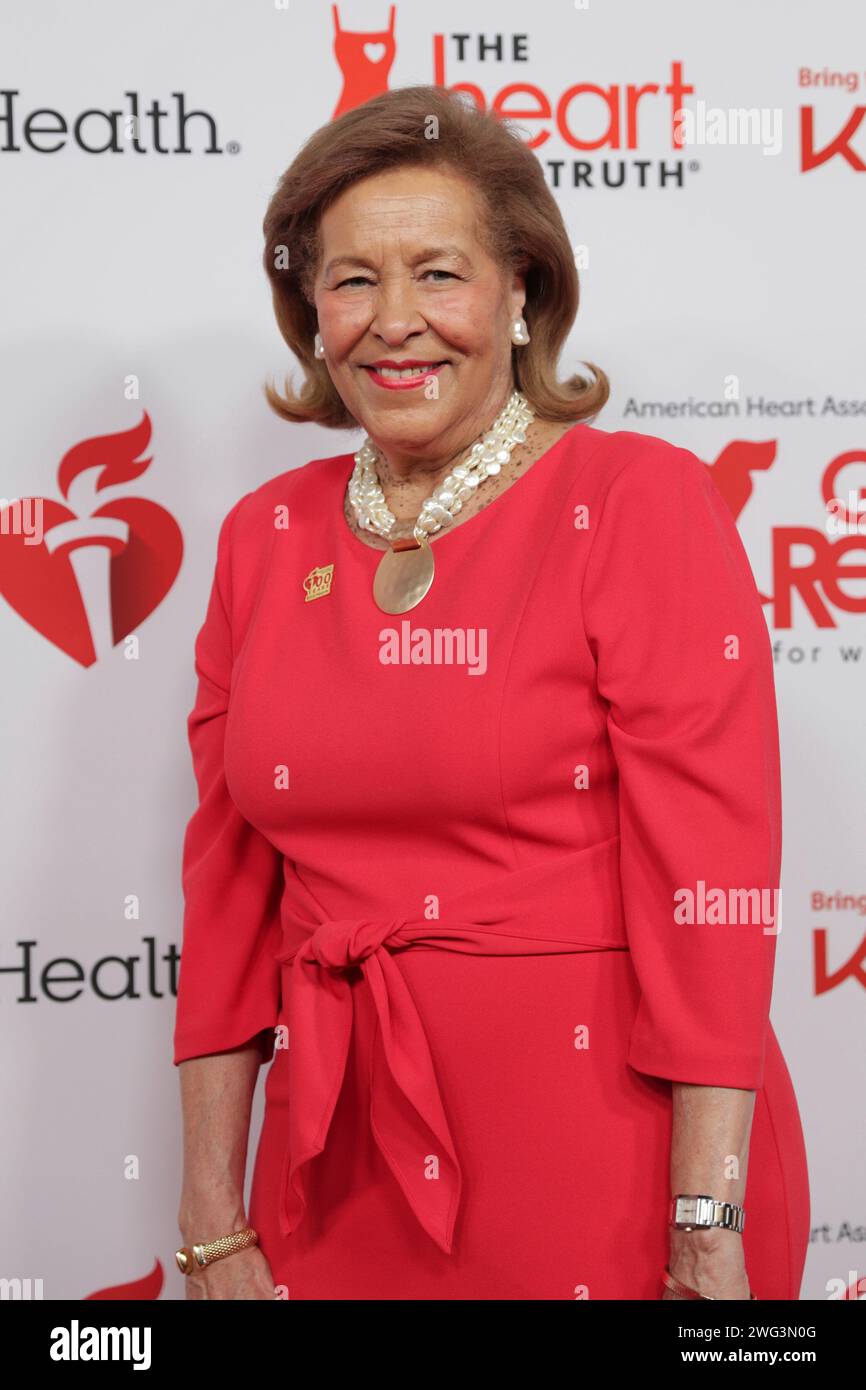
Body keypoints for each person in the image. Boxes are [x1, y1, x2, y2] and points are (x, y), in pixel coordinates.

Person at [172, 85, 810, 1301]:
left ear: (522, 293)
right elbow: (228, 897)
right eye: (352, 279)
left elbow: (708, 884)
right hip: (333, 1161)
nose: (393, 321)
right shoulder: (261, 536)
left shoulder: (638, 501)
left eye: (439, 273)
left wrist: (701, 1221)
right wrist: (212, 1209)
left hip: (614, 1171)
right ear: (309, 310)